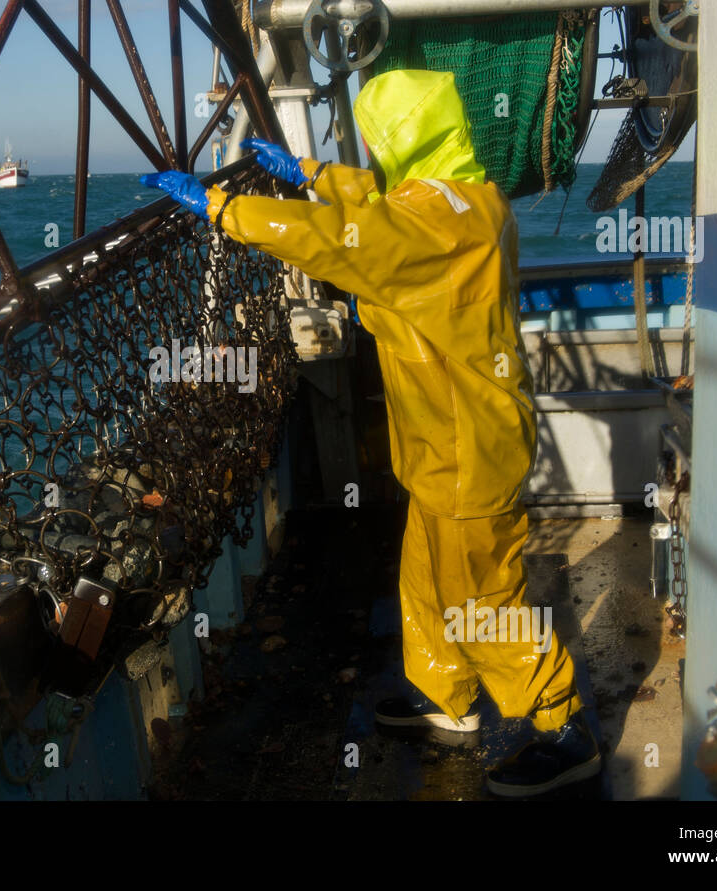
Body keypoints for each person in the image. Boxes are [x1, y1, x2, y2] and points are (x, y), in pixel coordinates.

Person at [141, 68, 599, 797]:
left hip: (466, 453)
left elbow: (345, 240)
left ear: (403, 141)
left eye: (382, 144)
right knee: (424, 582)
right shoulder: (471, 197)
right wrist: (316, 174)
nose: (379, 160)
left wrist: (227, 209)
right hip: (446, 447)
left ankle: (562, 722)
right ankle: (447, 698)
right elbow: (385, 209)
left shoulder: (437, 222)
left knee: (482, 600)